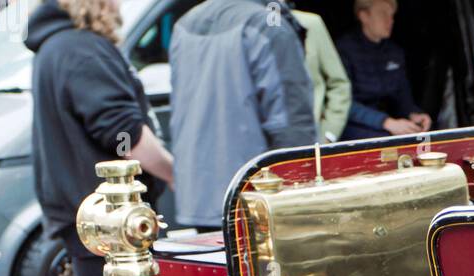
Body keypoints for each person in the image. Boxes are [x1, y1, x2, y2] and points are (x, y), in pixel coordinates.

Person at [25, 0, 173, 276]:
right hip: (113, 222)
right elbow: (124, 131)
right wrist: (174, 174)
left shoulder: (54, 47)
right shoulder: (82, 48)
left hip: (88, 215)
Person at [169, 0, 316, 230]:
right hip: (256, 198)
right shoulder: (268, 25)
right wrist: (303, 195)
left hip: (200, 197)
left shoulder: (185, 23)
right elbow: (291, 126)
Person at [337, 0, 430, 140]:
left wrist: (413, 114)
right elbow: (342, 102)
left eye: (392, 15)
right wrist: (385, 122)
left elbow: (403, 96)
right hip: (354, 125)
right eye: (382, 14)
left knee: (424, 137)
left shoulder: (394, 52)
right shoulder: (343, 50)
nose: (390, 20)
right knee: (387, 143)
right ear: (364, 16)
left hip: (390, 121)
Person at [294, 6, 352, 142]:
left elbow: (339, 84)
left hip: (309, 139)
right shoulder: (241, 25)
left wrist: (329, 134)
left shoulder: (309, 24)